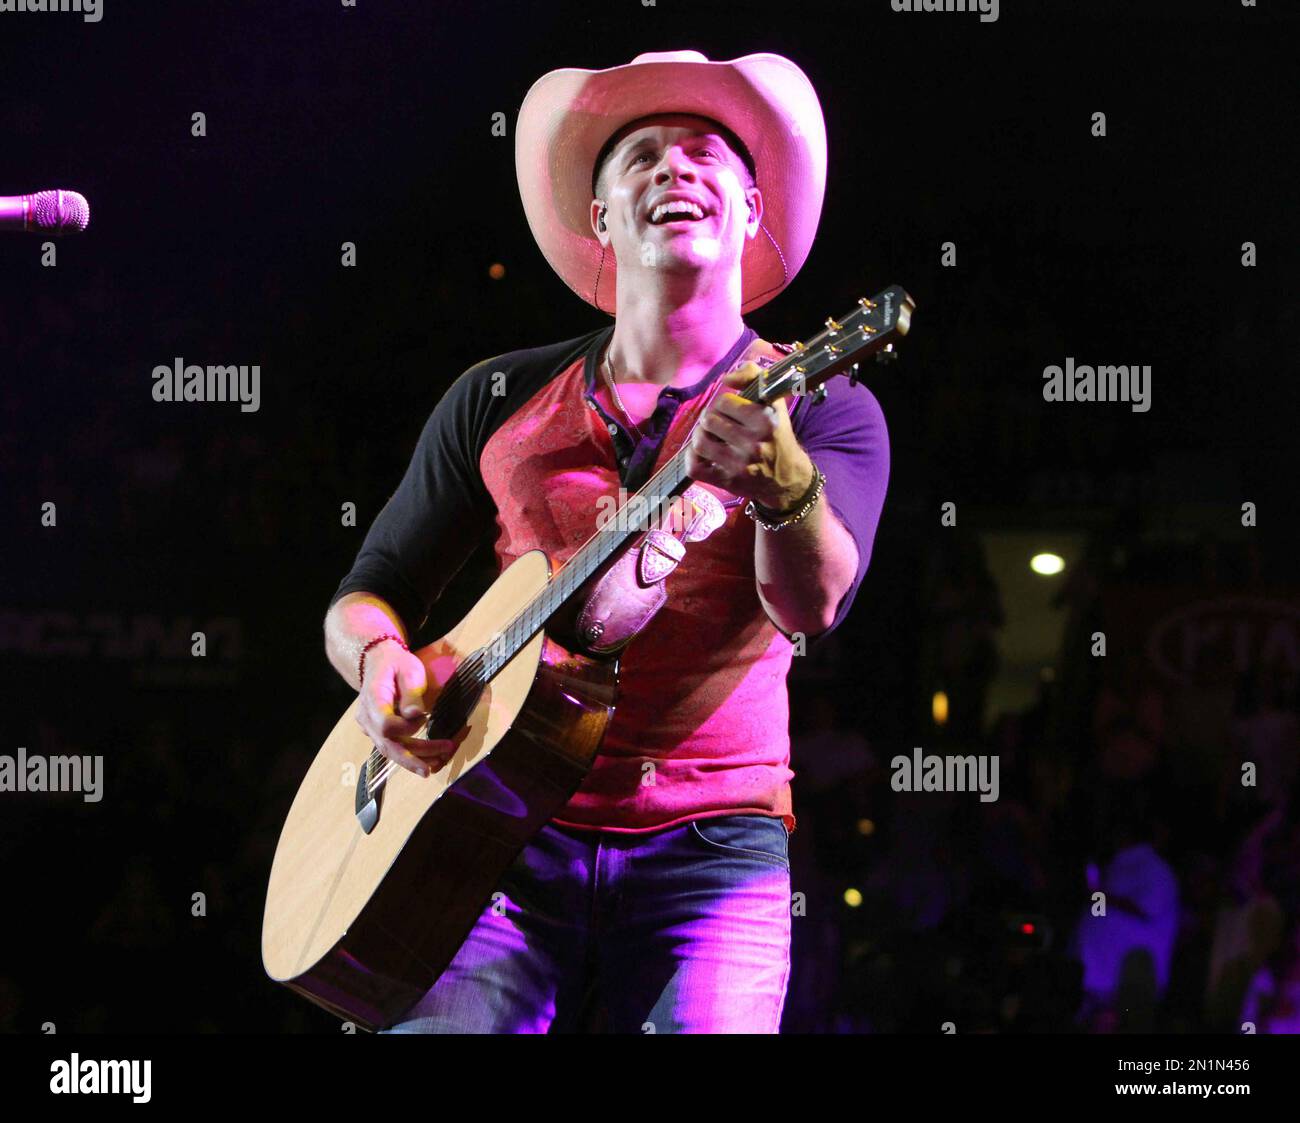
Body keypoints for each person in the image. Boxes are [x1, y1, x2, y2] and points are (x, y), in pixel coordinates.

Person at [322, 50, 891, 1033]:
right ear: (599, 218)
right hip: (490, 836)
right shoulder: (497, 399)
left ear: (752, 212)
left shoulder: (825, 402)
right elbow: (369, 590)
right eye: (644, 156)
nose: (677, 168)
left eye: (709, 153)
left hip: (712, 855)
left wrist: (783, 481)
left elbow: (813, 606)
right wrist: (379, 667)